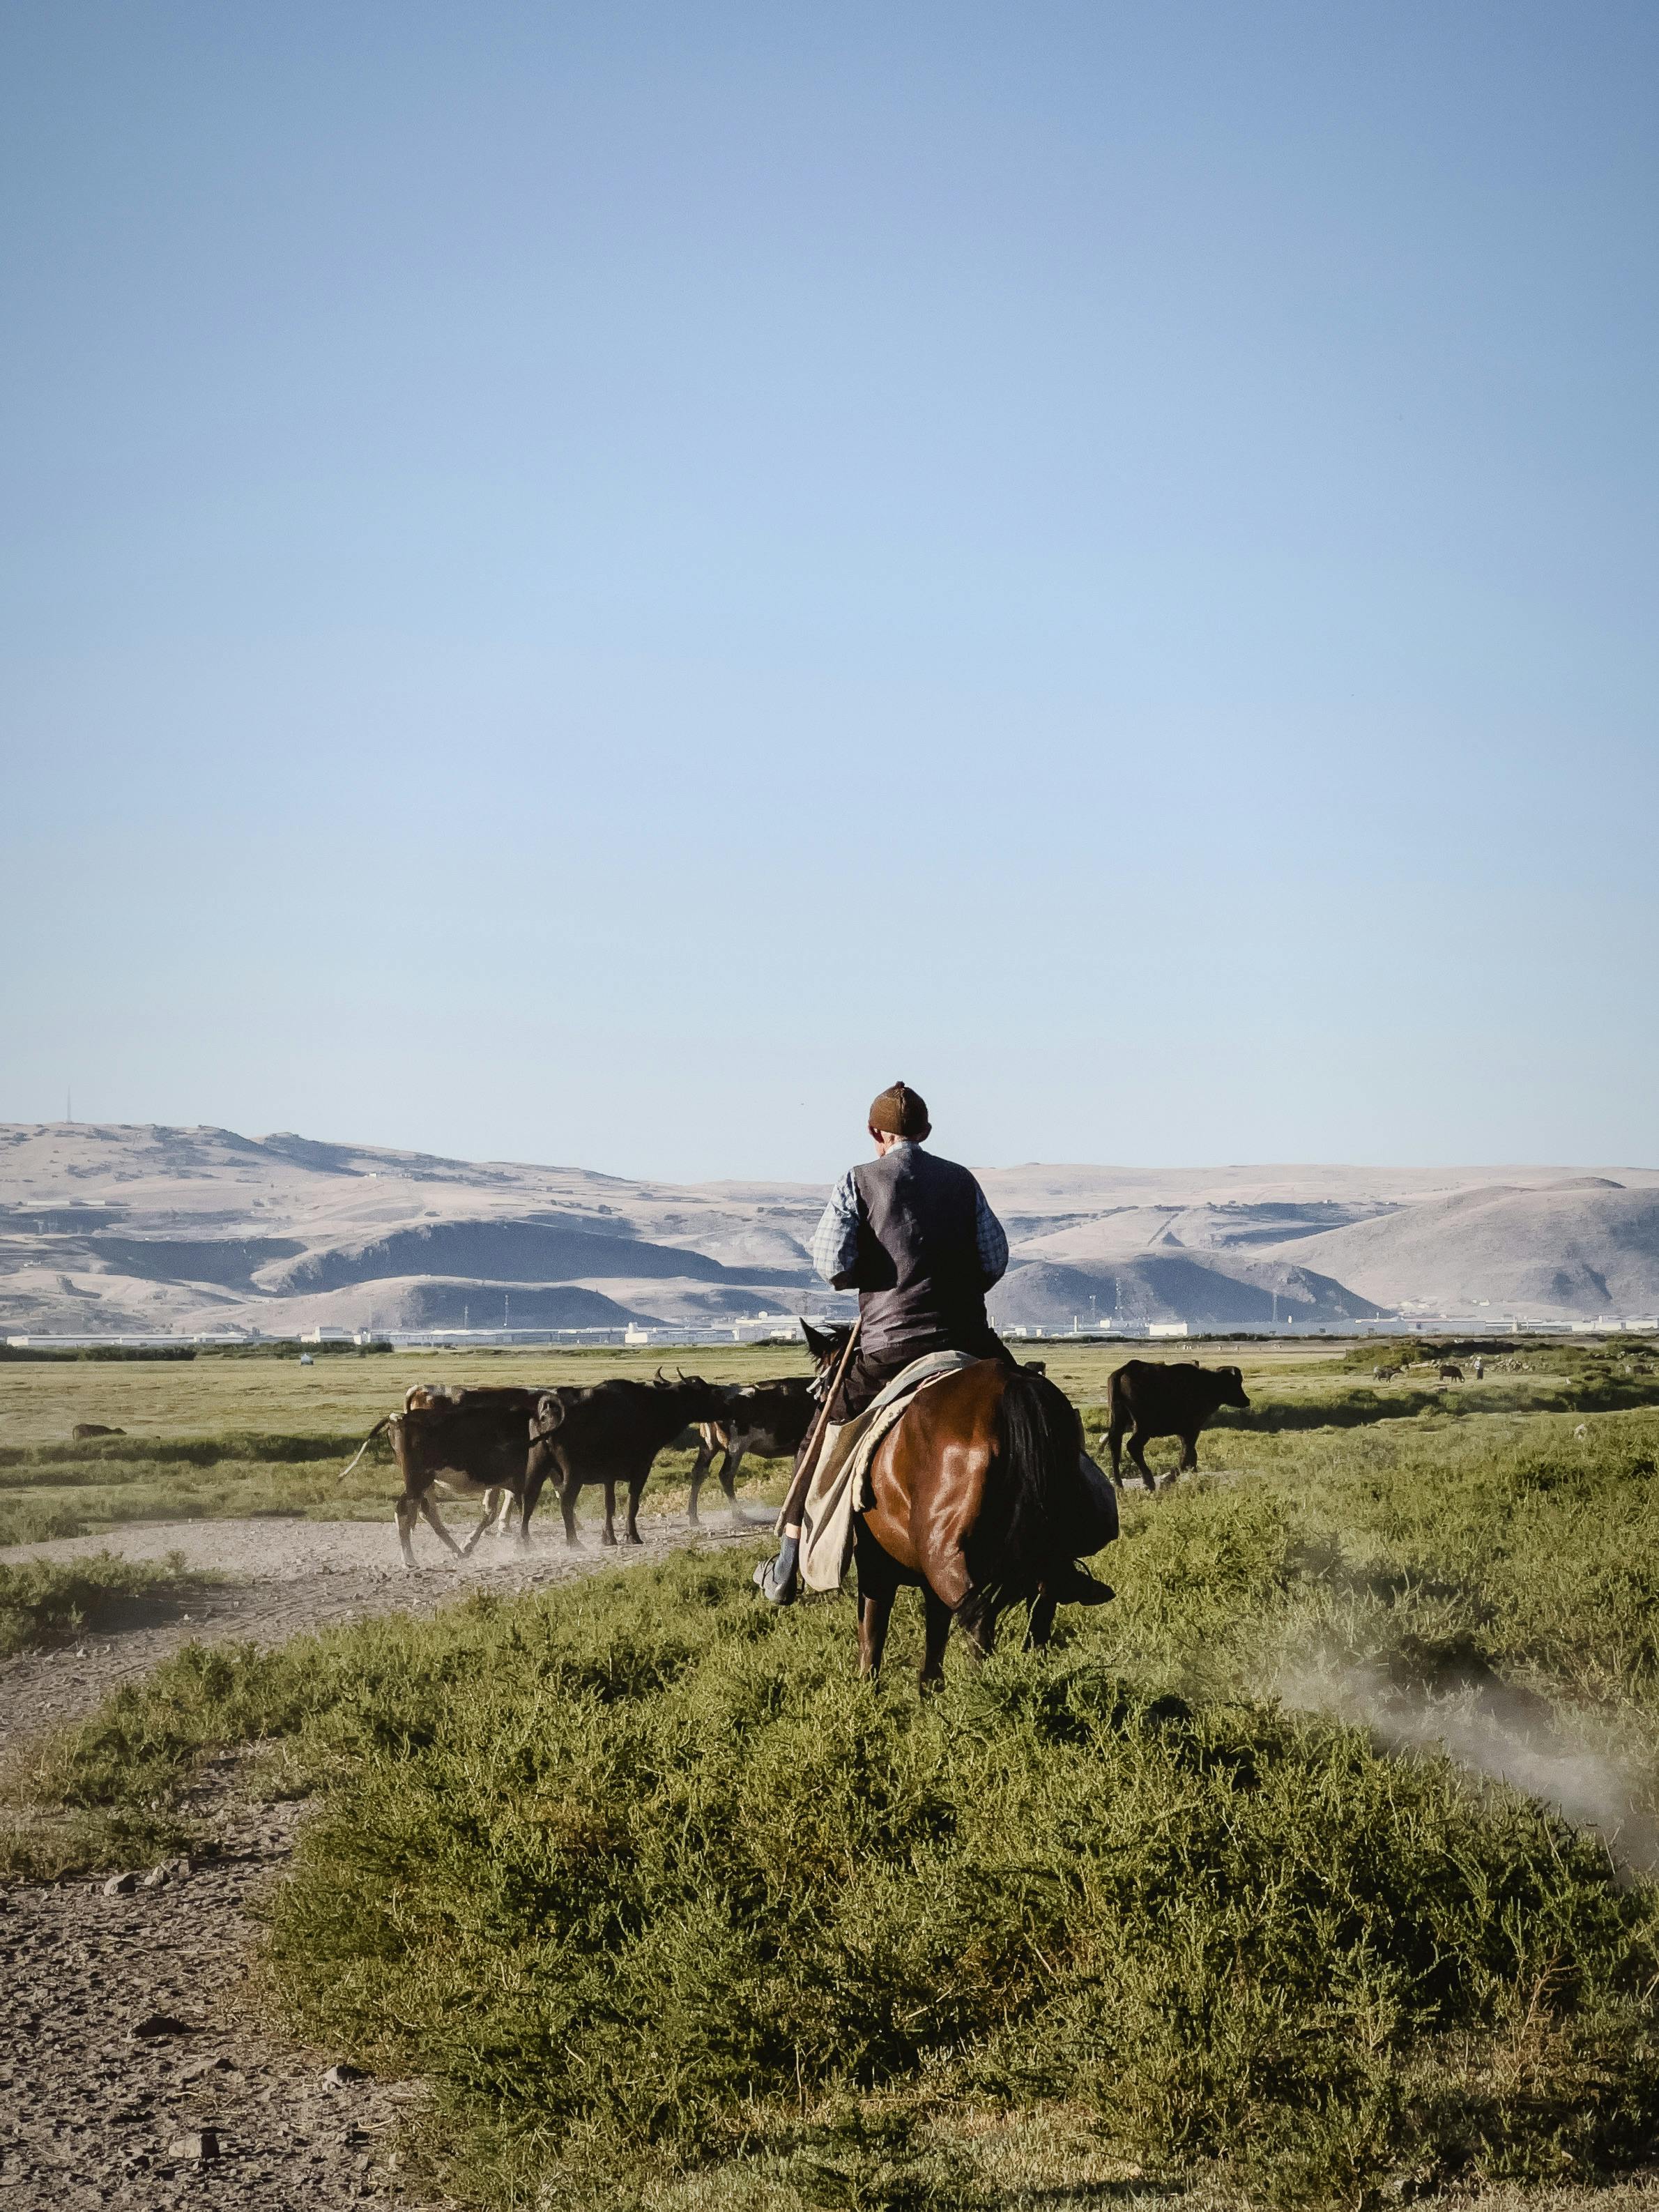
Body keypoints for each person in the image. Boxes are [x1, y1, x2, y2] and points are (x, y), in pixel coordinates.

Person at [757, 1081, 1110, 1606]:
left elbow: (833, 1265)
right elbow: (993, 1261)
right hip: (969, 1337)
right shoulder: (962, 1182)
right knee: (1040, 1409)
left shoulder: (857, 1182)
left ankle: (787, 1563)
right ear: (925, 1131)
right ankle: (1063, 1550)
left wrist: (873, 1274)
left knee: (821, 1436)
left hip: (888, 1346)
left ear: (875, 1132)